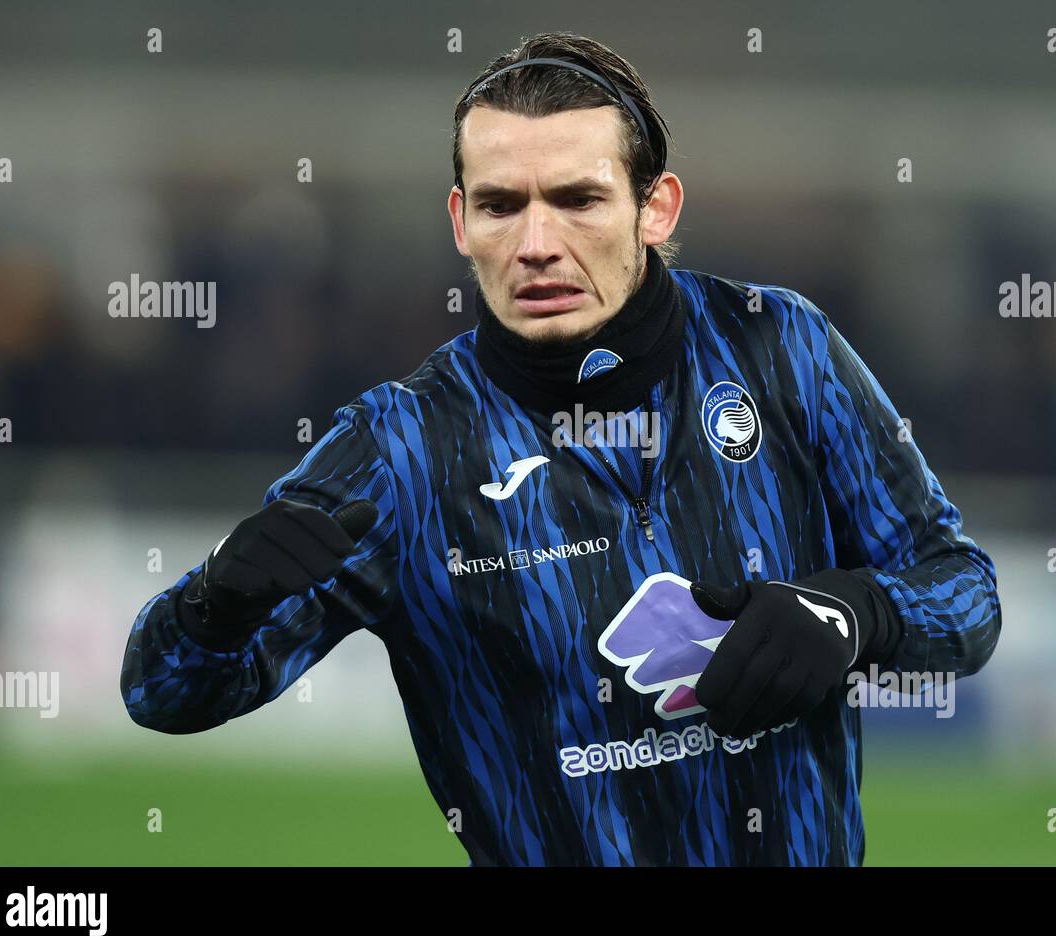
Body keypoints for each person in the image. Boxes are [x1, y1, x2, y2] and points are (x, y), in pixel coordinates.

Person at [121, 31, 1002, 866]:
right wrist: (213, 607)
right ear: (462, 223)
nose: (537, 245)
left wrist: (852, 617)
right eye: (503, 205)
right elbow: (164, 695)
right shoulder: (402, 449)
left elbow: (966, 592)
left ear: (655, 207)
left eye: (578, 199)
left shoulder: (781, 347)